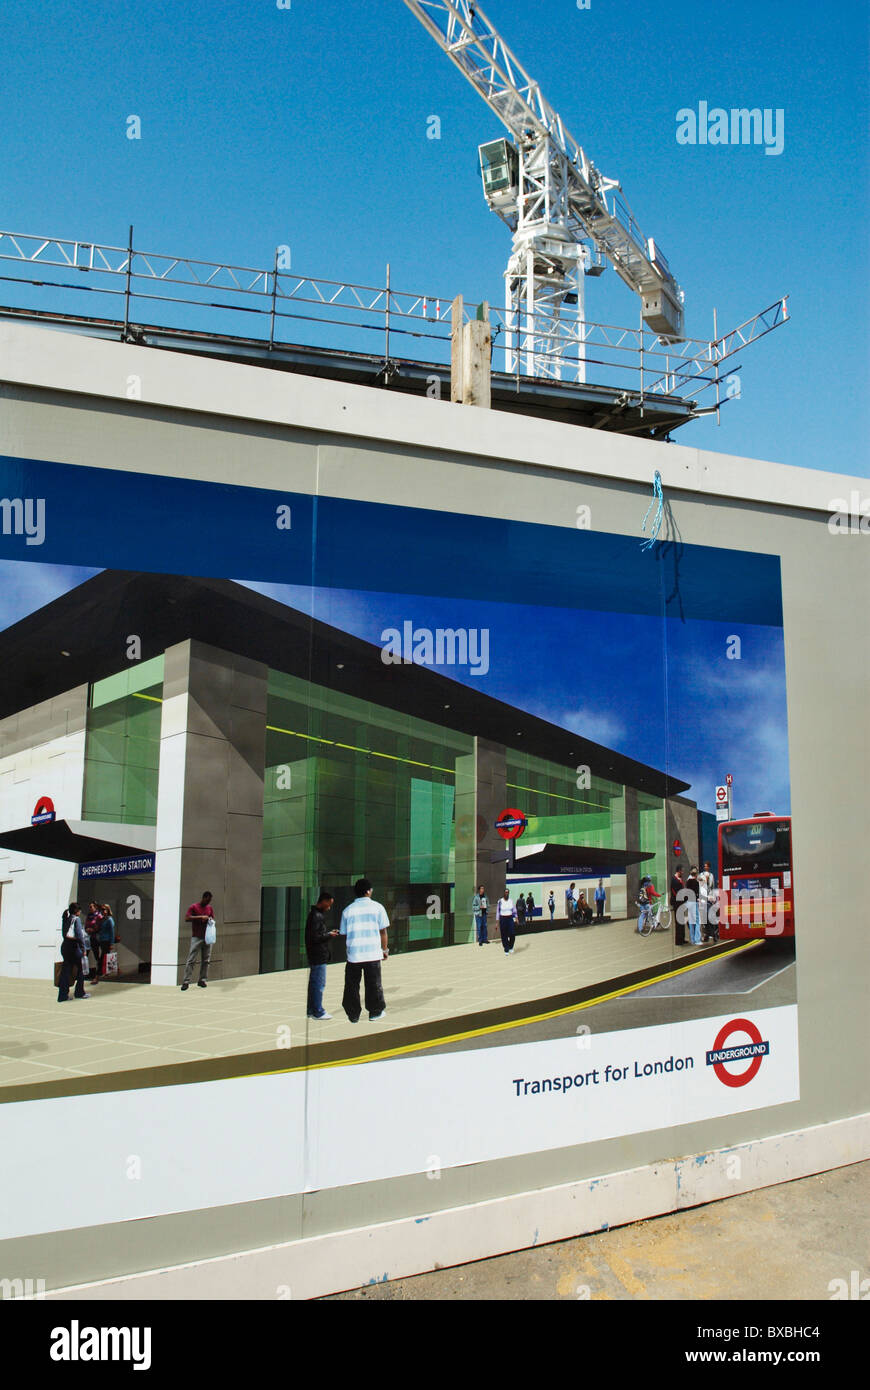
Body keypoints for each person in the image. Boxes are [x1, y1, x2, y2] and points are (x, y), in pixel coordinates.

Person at [340, 878, 389, 1023]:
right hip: (373, 953)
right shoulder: (378, 907)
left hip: (354, 954)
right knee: (373, 984)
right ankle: (375, 1012)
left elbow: (344, 934)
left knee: (352, 986)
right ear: (368, 891)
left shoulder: (347, 910)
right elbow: (383, 932)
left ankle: (353, 1015)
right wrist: (384, 950)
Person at [305, 890, 338, 1019]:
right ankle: (318, 1011)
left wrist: (328, 934)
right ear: (323, 901)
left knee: (314, 983)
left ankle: (311, 1009)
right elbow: (315, 937)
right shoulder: (317, 916)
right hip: (318, 955)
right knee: (319, 983)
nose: (329, 908)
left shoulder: (314, 915)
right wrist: (329, 935)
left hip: (315, 955)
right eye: (328, 904)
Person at [181, 890, 215, 990]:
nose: (208, 902)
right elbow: (187, 918)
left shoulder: (210, 908)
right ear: (204, 898)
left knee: (206, 960)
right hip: (197, 936)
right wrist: (200, 917)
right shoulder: (194, 907)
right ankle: (186, 981)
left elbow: (212, 918)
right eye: (207, 900)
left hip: (207, 937)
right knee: (191, 959)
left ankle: (202, 980)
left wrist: (210, 920)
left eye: (210, 901)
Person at [57, 902, 90, 1002]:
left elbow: (64, 933)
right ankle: (79, 992)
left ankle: (62, 995)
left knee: (66, 971)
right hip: (74, 947)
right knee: (81, 970)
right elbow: (79, 935)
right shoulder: (76, 919)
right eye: (79, 910)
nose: (80, 912)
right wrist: (83, 948)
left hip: (65, 946)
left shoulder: (66, 919)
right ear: (77, 911)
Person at [495, 889, 518, 955]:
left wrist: (516, 918)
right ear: (503, 893)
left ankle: (511, 947)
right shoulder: (500, 901)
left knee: (512, 933)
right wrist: (497, 923)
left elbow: (514, 910)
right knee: (504, 935)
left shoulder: (511, 901)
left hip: (510, 918)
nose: (506, 893)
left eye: (508, 892)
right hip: (503, 918)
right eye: (505, 892)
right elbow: (498, 912)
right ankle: (506, 948)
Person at [84, 901, 103, 980]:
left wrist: (94, 929)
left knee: (96, 955)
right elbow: (86, 924)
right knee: (85, 955)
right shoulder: (89, 916)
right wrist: (87, 929)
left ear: (95, 907)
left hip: (95, 938)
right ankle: (85, 972)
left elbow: (101, 926)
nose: (90, 908)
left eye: (91, 907)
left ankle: (99, 972)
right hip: (88, 938)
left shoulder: (99, 916)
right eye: (90, 907)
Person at [700, 862, 717, 943]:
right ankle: (707, 934)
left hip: (709, 898)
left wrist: (713, 897)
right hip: (703, 898)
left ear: (709, 867)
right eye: (704, 866)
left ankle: (713, 934)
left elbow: (713, 887)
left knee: (710, 917)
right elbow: (700, 885)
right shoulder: (701, 875)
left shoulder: (712, 875)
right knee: (704, 918)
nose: (705, 867)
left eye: (706, 866)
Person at [97, 903, 116, 977]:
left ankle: (100, 972)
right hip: (102, 940)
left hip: (107, 940)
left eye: (104, 909)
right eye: (102, 910)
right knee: (105, 956)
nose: (103, 911)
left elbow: (112, 932)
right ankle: (106, 971)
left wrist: (111, 943)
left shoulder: (109, 920)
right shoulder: (103, 919)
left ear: (108, 910)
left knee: (104, 956)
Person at [685, 866, 701, 945]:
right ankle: (697, 940)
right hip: (694, 902)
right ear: (696, 874)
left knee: (691, 921)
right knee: (698, 921)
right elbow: (697, 894)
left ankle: (692, 940)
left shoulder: (687, 882)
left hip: (689, 902)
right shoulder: (696, 883)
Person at [670, 866, 686, 945]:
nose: (683, 873)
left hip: (681, 903)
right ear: (679, 871)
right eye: (682, 871)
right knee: (678, 922)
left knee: (682, 921)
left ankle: (682, 938)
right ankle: (678, 941)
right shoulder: (674, 880)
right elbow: (677, 892)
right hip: (677, 903)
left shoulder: (679, 879)